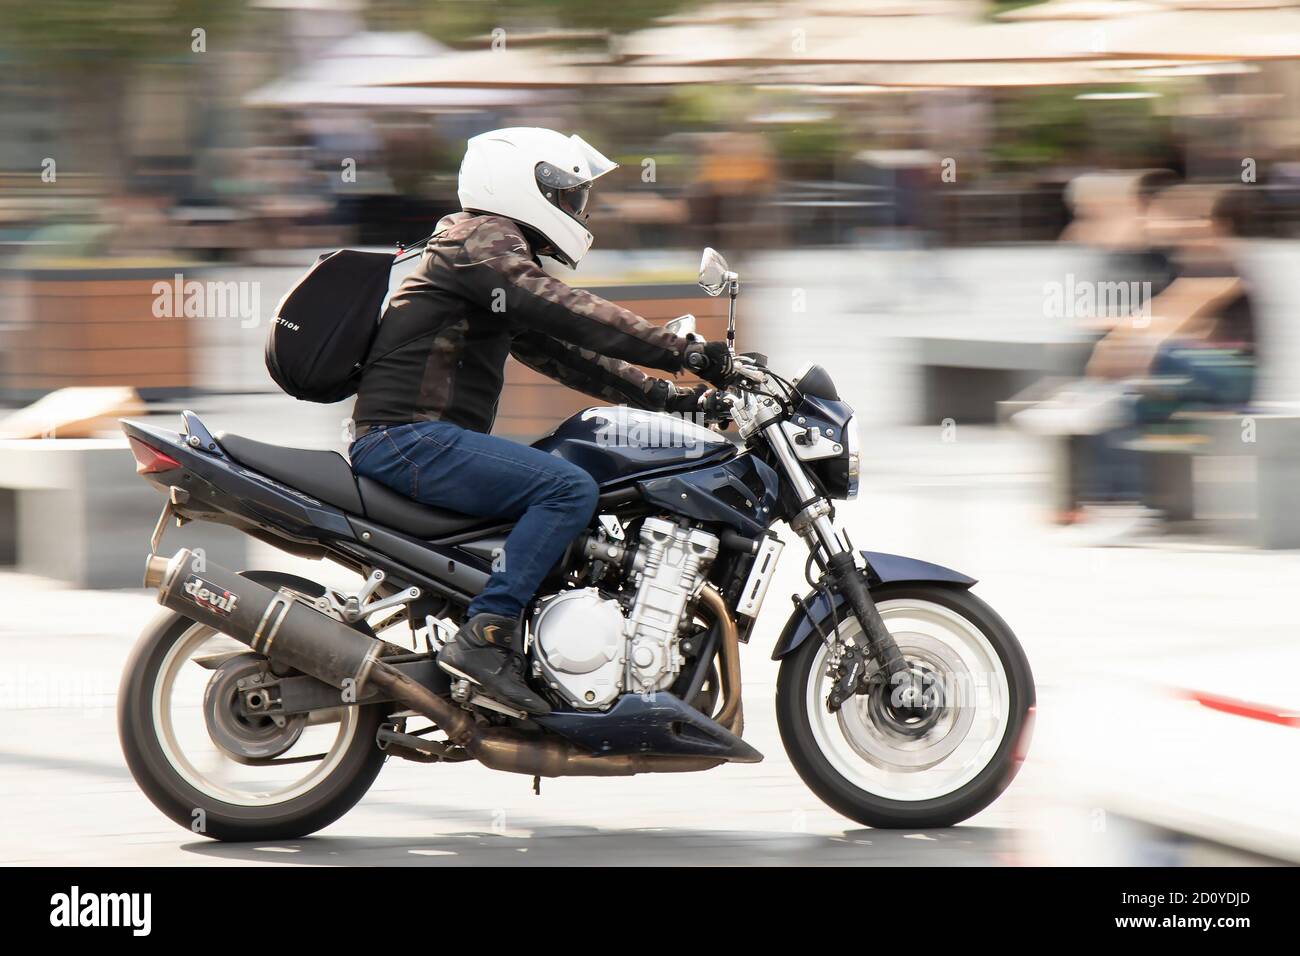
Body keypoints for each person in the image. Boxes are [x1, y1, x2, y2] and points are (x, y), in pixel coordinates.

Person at [347, 128, 733, 714]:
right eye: (566, 194)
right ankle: (487, 637)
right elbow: (564, 309)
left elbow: (566, 353)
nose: (577, 209)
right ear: (518, 184)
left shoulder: (483, 260)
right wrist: (683, 351)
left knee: (573, 481)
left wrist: (675, 398)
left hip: (417, 440)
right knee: (567, 488)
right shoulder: (481, 238)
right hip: (407, 439)